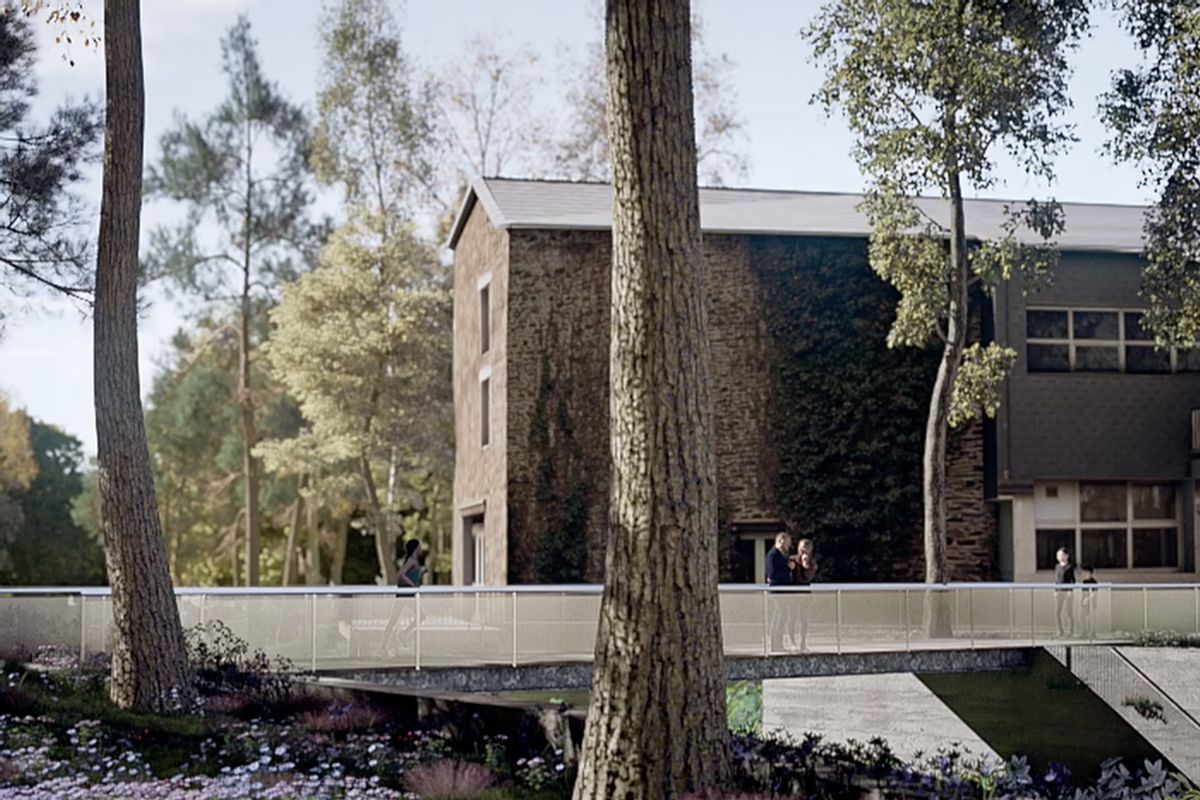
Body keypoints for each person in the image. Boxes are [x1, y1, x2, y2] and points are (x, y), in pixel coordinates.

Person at [378, 539, 426, 657]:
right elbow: (400, 574)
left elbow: (410, 574)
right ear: (415, 548)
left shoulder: (414, 561)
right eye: (419, 547)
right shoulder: (411, 560)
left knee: (393, 620)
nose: (421, 549)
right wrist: (412, 585)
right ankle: (402, 635)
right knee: (421, 616)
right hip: (406, 594)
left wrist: (421, 573)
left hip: (406, 594)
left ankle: (383, 647)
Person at [766, 531, 793, 653]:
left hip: (784, 590)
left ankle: (779, 643)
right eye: (788, 541)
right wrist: (788, 568)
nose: (789, 544)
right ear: (781, 540)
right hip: (777, 591)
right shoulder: (773, 555)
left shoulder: (783, 555)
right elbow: (772, 574)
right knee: (778, 616)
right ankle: (774, 644)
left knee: (782, 617)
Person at [790, 538, 818, 652]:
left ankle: (803, 643)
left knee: (804, 621)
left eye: (805, 549)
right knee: (791, 619)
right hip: (792, 595)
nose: (802, 552)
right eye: (801, 549)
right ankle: (792, 643)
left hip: (805, 595)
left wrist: (805, 565)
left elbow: (806, 579)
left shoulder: (812, 564)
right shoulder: (792, 560)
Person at [1054, 547, 1076, 637]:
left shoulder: (1070, 567)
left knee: (1069, 612)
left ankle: (1071, 630)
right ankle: (1060, 630)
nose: (1060, 557)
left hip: (1067, 592)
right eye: (1058, 555)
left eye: (1062, 555)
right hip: (1059, 592)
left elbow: (1072, 580)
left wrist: (1070, 591)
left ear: (1067, 556)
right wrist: (1055, 591)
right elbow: (1056, 579)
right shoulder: (1057, 567)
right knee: (1057, 612)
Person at [1080, 564, 1098, 637]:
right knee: (1083, 617)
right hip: (1084, 602)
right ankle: (1084, 632)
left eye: (1086, 573)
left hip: (1092, 603)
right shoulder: (1084, 582)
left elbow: (1095, 593)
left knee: (1091, 618)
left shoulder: (1094, 582)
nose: (1085, 574)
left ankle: (1092, 633)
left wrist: (1088, 599)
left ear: (1091, 573)